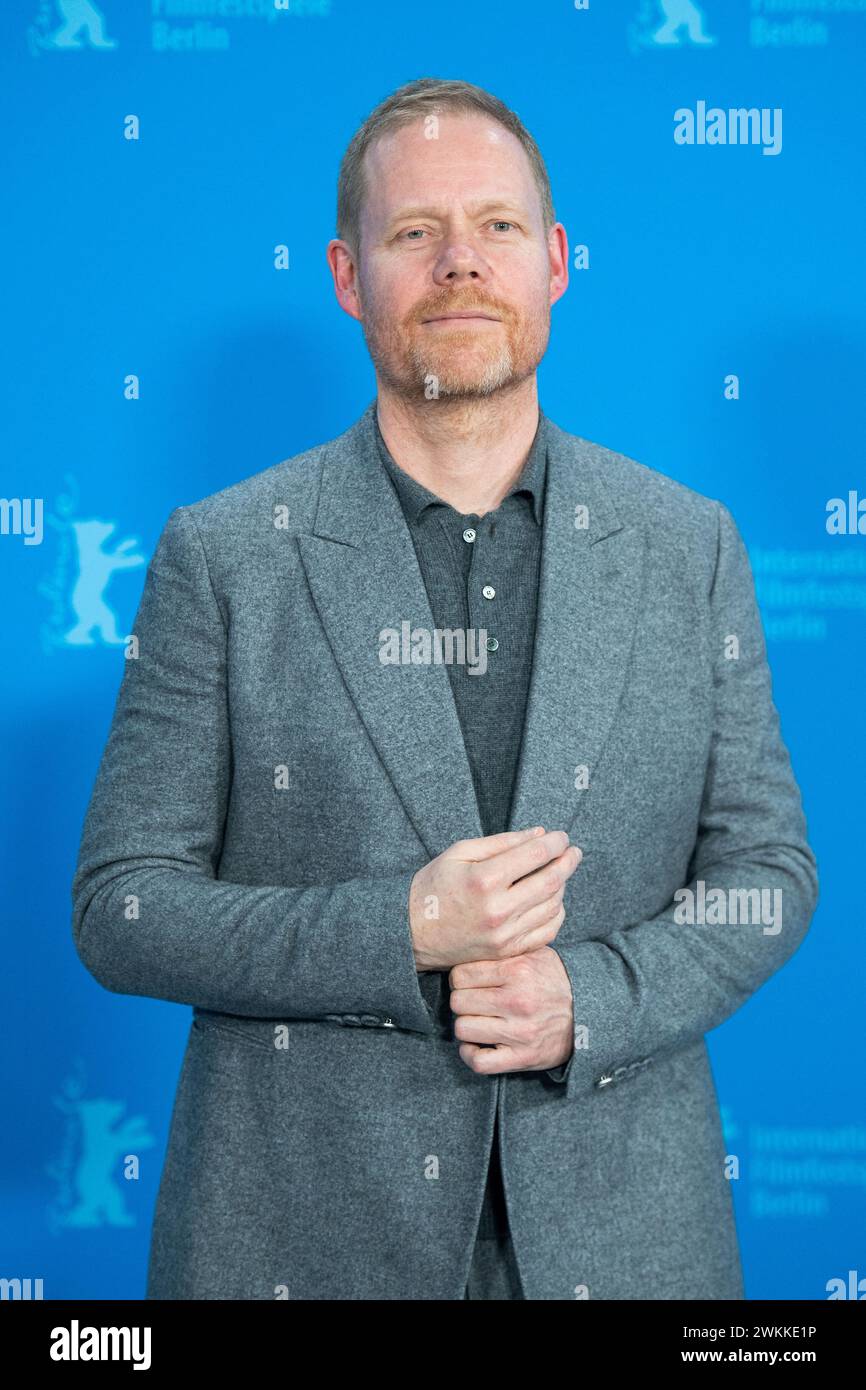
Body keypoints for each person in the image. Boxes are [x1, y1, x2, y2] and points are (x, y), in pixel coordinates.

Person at [71, 77, 818, 1300]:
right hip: (300, 1246)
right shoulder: (223, 552)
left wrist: (590, 996)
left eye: (497, 228)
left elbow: (766, 876)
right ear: (345, 275)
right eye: (414, 233)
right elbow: (122, 906)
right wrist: (403, 930)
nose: (459, 264)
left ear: (556, 262)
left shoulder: (691, 546)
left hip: (629, 1250)